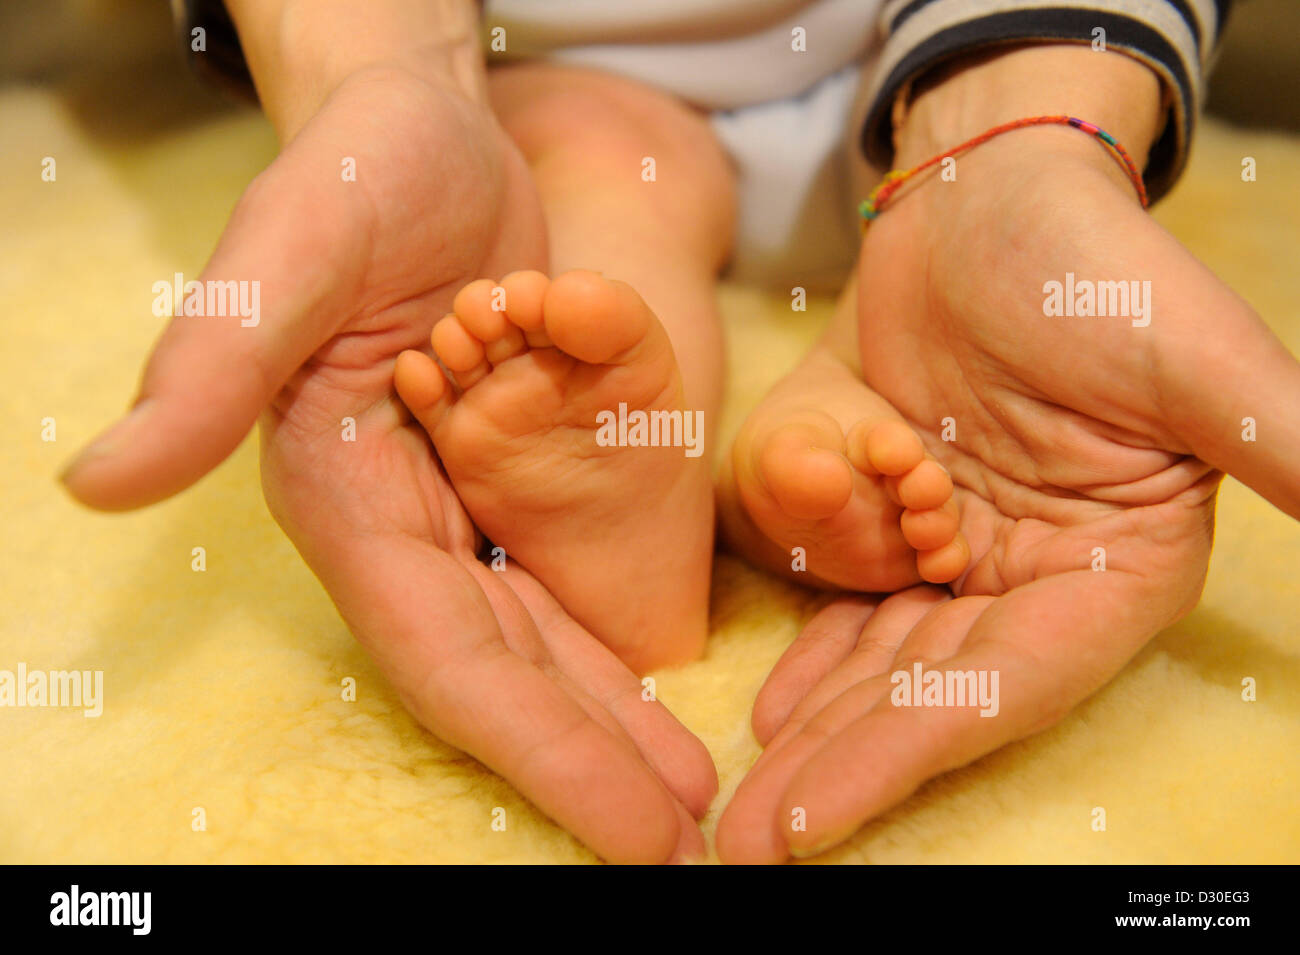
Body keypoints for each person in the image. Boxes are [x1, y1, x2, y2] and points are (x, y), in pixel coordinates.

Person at [63, 0, 1300, 864]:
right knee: (585, 220)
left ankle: (711, 463)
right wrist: (385, 71)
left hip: (939, 85)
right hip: (651, 99)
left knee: (589, 229)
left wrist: (1025, 125)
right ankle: (743, 483)